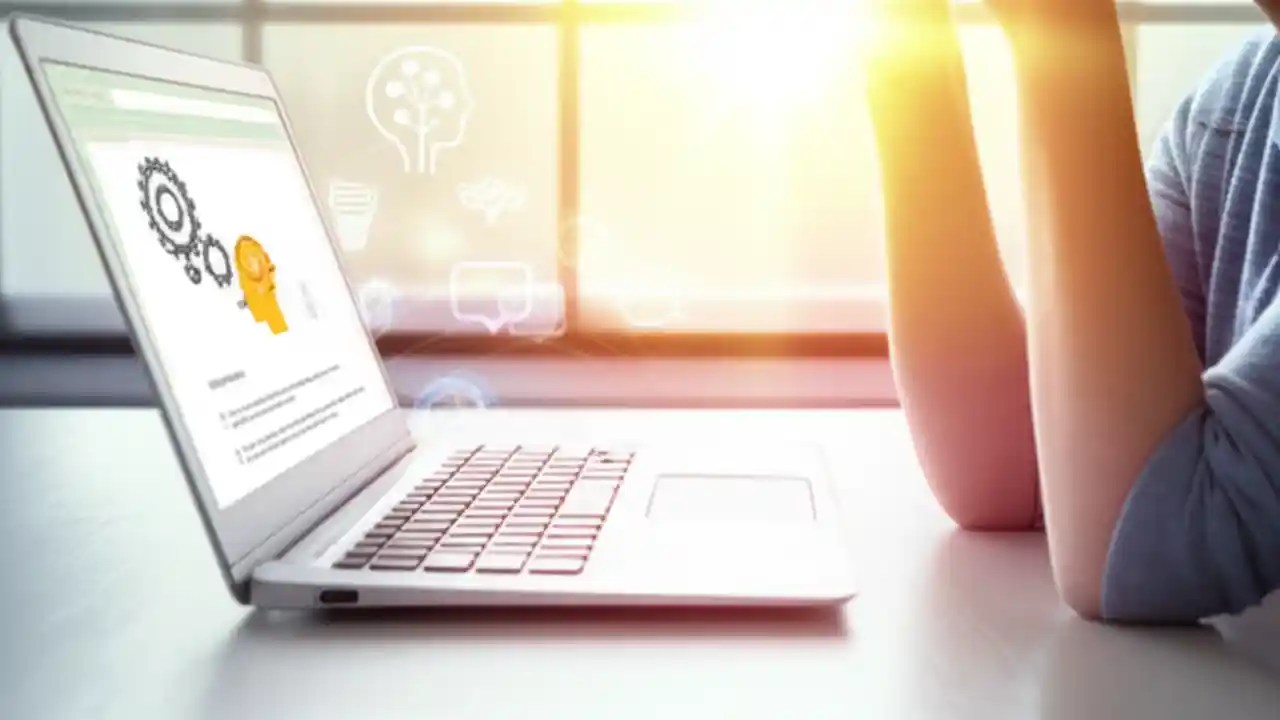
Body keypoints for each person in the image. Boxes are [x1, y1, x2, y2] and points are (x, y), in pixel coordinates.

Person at [866, 0, 1280, 623]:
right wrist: (906, 53)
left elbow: (1147, 546)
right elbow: (1024, 472)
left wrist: (1060, 34)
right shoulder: (1241, 106)